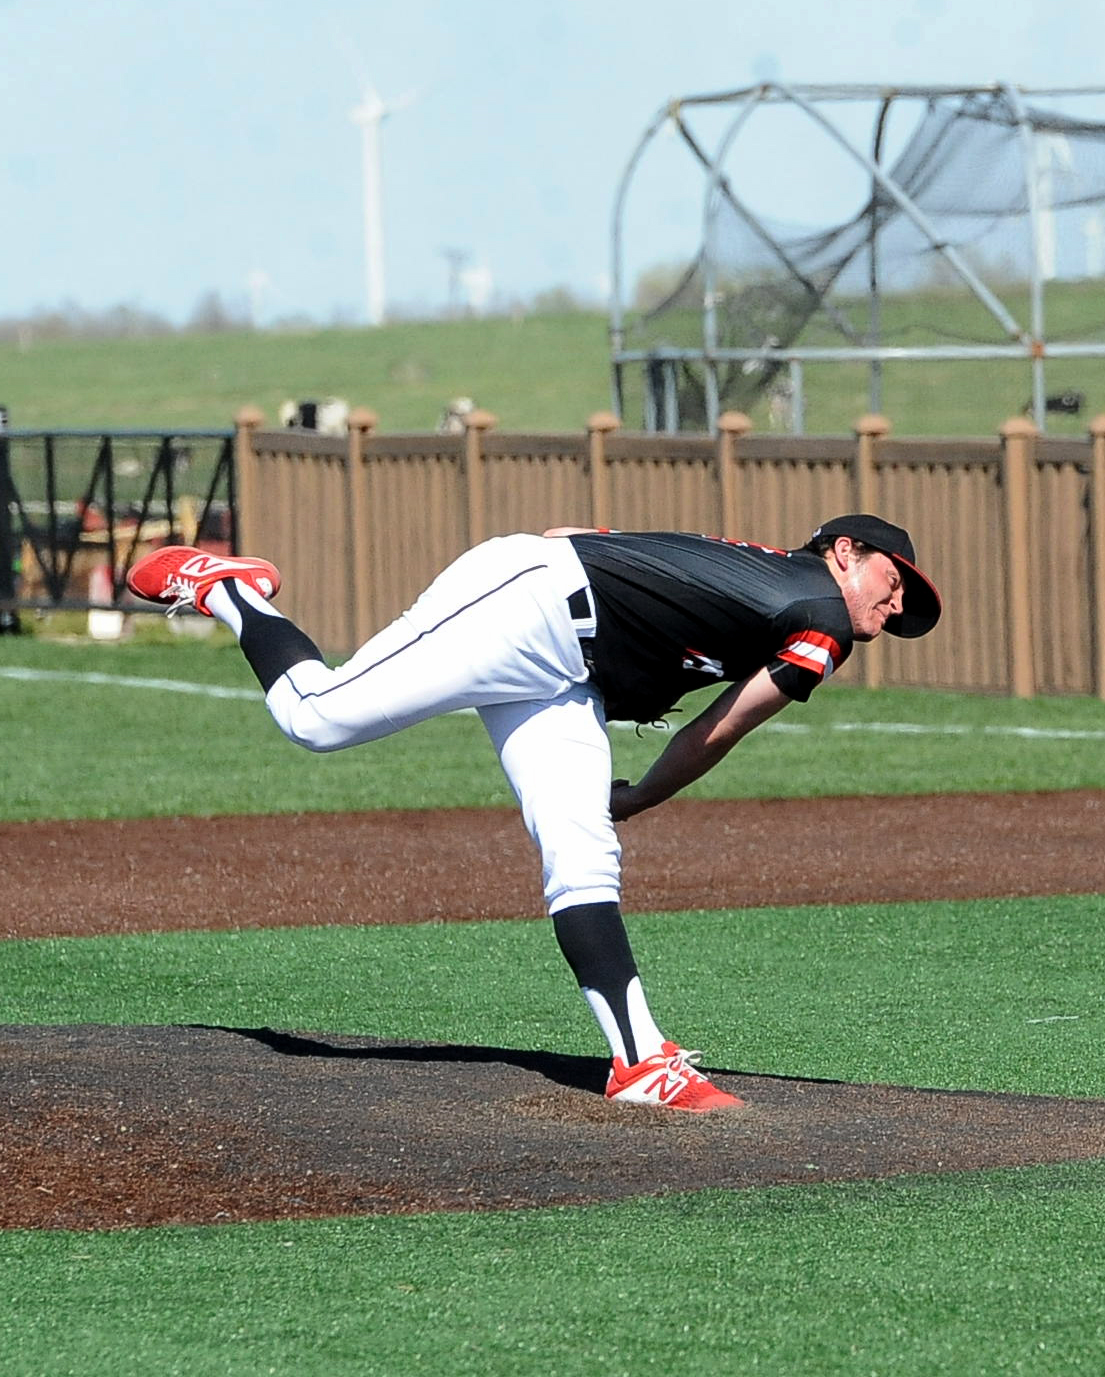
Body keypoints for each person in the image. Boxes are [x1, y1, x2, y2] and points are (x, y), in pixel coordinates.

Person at [126, 514, 941, 1113]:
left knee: (581, 849)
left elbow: (618, 548)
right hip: (529, 608)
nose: (894, 602)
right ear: (843, 552)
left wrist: (622, 796)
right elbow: (716, 727)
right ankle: (227, 590)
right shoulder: (821, 612)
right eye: (891, 578)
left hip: (562, 658)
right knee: (317, 717)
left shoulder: (779, 588)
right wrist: (644, 794)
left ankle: (639, 1061)